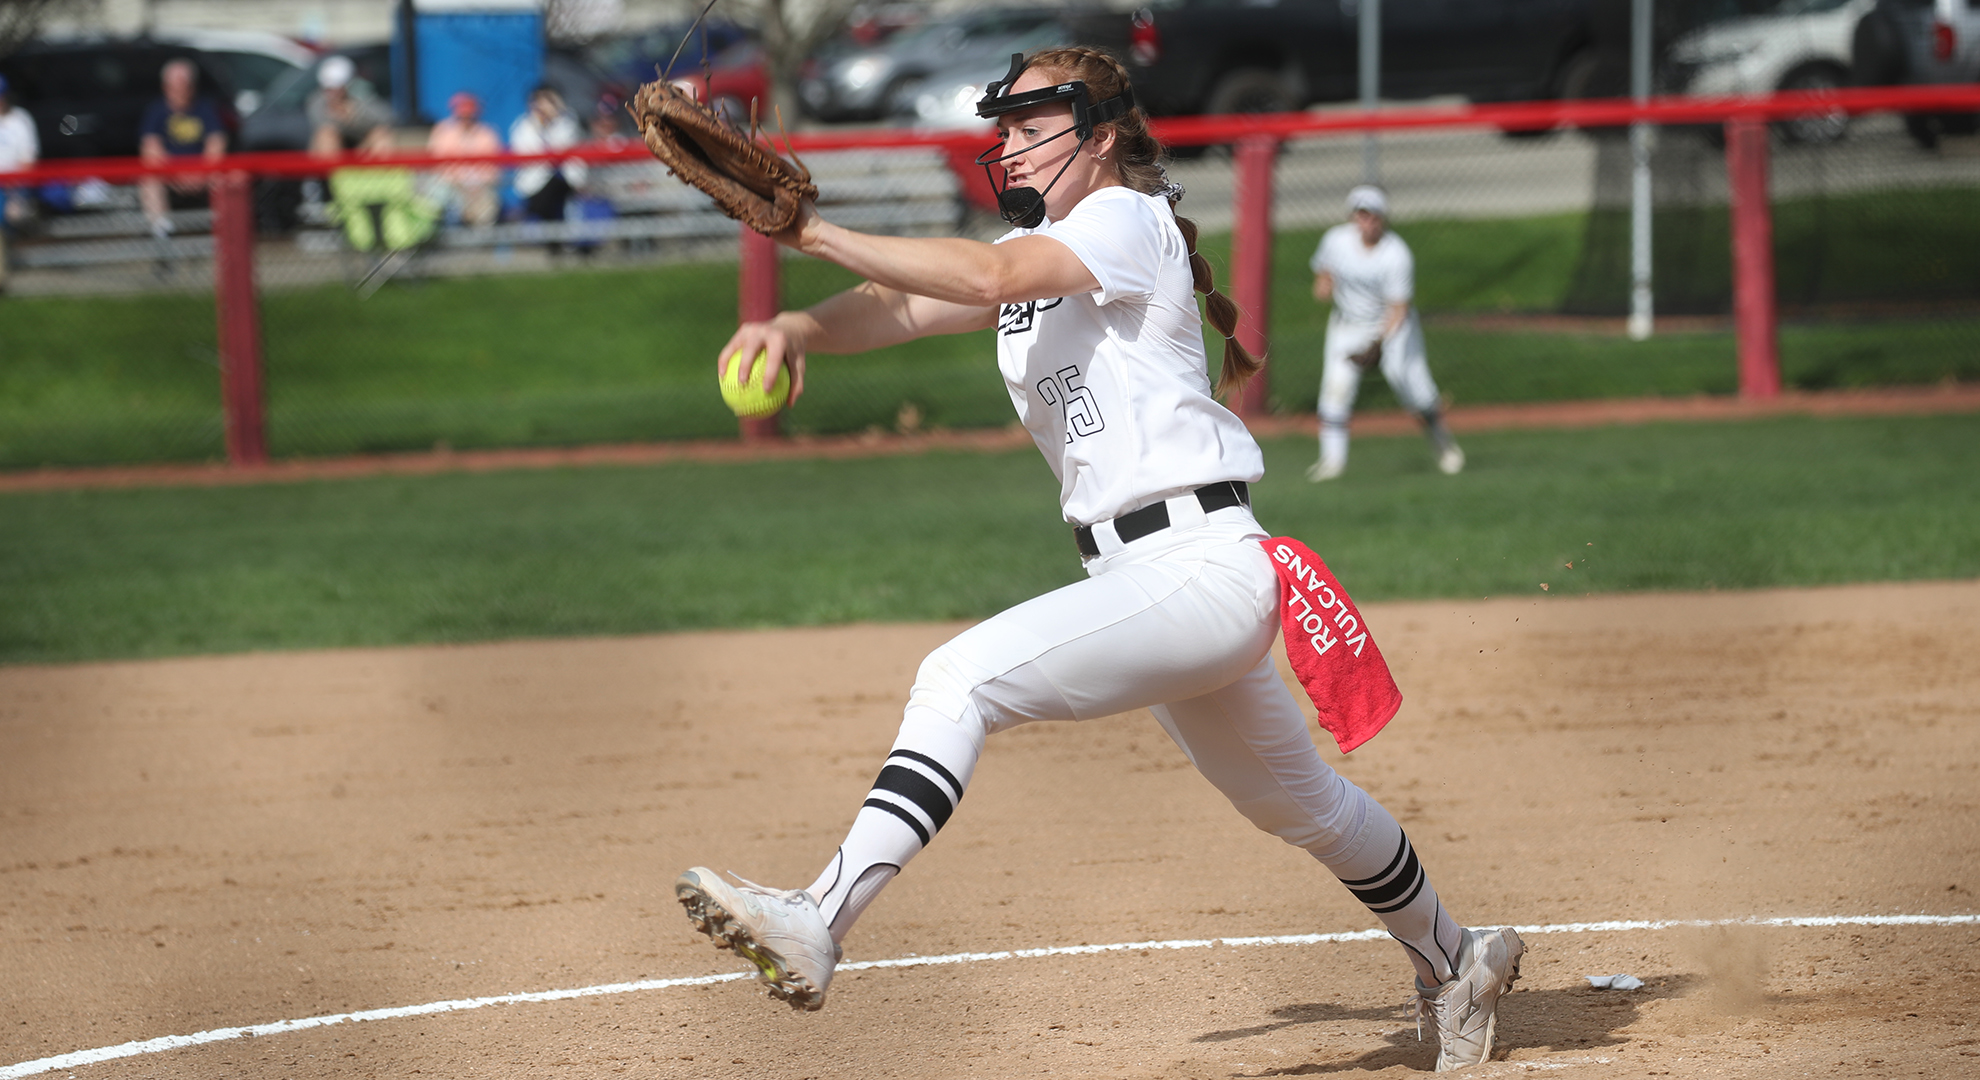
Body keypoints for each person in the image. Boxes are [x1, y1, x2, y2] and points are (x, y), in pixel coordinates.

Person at [672, 46, 1524, 1073]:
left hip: (1203, 563)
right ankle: (1457, 957)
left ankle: (819, 914)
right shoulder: (1047, 250)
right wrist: (801, 323)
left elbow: (986, 274)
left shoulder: (1120, 219)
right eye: (1007, 128)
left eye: (1034, 124)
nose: (1011, 145)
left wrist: (806, 230)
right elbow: (912, 303)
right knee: (1296, 804)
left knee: (959, 678)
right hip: (1146, 578)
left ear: (1102, 134)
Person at [1307, 185, 1464, 482]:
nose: (1367, 222)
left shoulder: (1396, 254)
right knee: (1335, 390)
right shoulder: (1337, 240)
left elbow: (1398, 308)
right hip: (1347, 324)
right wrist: (1323, 285)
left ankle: (1444, 446)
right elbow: (1324, 270)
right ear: (1354, 217)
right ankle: (1332, 463)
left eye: (1373, 216)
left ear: (1383, 218)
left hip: (1390, 326)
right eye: (1362, 214)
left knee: (1413, 388)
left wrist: (1377, 343)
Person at [138, 58, 226, 238]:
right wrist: (176, 174)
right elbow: (151, 148)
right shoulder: (156, 112)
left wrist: (202, 172)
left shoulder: (204, 109)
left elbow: (216, 144)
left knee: (229, 178)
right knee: (149, 177)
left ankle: (224, 227)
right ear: (165, 87)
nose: (179, 90)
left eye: (183, 85)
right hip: (171, 174)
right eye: (174, 86)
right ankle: (161, 231)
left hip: (202, 172)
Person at [509, 85, 586, 230]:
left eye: (550, 101)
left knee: (561, 186)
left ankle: (570, 239)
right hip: (535, 184)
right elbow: (532, 153)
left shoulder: (567, 122)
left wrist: (553, 120)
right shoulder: (523, 126)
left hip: (567, 181)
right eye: (540, 101)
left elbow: (564, 146)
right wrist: (541, 125)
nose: (545, 106)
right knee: (552, 188)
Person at [425, 90, 501, 227]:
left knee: (486, 208)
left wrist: (475, 185)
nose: (466, 118)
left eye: (469, 114)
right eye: (462, 114)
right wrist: (459, 183)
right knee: (439, 195)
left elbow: (493, 171)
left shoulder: (486, 133)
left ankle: (481, 242)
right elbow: (437, 166)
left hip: (479, 187)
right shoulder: (443, 131)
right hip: (452, 186)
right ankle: (446, 236)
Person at [307, 54, 393, 158]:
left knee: (381, 136)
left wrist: (355, 116)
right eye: (329, 89)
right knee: (327, 135)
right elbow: (322, 126)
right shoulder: (317, 102)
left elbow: (386, 119)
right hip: (335, 143)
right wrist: (338, 116)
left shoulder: (362, 96)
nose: (333, 94)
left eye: (337, 89)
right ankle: (330, 171)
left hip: (363, 142)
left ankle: (375, 171)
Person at [0, 73, 37, 291]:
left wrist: (13, 189)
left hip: (16, 189)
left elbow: (27, 164)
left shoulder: (20, 120)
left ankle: (1, 279)